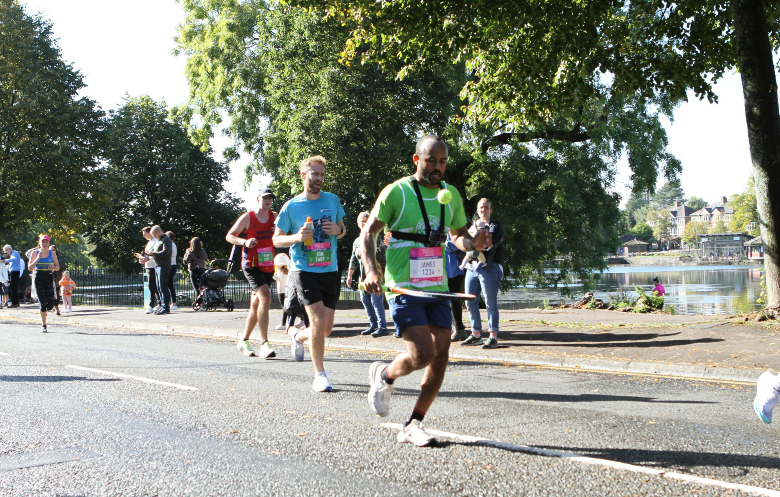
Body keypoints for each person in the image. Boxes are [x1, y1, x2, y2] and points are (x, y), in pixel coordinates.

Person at [360, 135, 490, 446]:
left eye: (443, 161)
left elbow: (458, 235)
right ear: (416, 160)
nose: (437, 167)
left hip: (437, 286)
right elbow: (368, 233)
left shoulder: (450, 194)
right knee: (422, 354)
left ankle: (414, 423)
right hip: (403, 284)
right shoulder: (397, 192)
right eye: (431, 160)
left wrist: (473, 243)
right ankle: (386, 376)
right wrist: (369, 271)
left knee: (441, 354)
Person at [273, 155, 347, 393]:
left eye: (322, 174)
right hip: (304, 270)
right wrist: (296, 237)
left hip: (330, 269)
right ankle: (320, 375)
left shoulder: (333, 200)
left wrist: (338, 230)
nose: (319, 179)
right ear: (304, 176)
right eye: (315, 174)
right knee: (316, 321)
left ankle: (296, 335)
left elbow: (343, 229)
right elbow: (276, 239)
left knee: (325, 329)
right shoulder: (291, 206)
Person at [226, 188, 278, 359]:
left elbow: (283, 233)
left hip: (268, 264)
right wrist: (245, 241)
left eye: (270, 198)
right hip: (251, 264)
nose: (268, 200)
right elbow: (230, 236)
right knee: (266, 296)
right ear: (258, 199)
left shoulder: (274, 216)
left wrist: (278, 229)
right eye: (265, 198)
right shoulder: (248, 217)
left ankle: (244, 340)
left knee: (256, 304)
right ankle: (265, 343)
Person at [460, 198, 504, 349]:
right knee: (469, 300)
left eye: (486, 207)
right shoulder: (473, 224)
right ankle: (476, 335)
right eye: (480, 208)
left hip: (489, 267)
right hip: (473, 267)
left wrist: (478, 234)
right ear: (477, 210)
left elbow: (488, 243)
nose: (483, 210)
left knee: (490, 303)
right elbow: (467, 244)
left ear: (491, 210)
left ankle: (493, 336)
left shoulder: (495, 225)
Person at [346, 211, 388, 337]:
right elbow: (353, 259)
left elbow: (383, 255)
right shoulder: (357, 241)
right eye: (361, 221)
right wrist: (349, 275)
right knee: (366, 301)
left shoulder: (376, 238)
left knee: (376, 301)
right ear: (358, 224)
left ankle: (383, 327)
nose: (364, 223)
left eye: (366, 221)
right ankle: (373, 325)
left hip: (376, 275)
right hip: (362, 278)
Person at [27, 234, 59, 332]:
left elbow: (58, 267)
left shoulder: (52, 253)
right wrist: (37, 259)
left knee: (50, 304)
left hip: (48, 277)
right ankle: (44, 325)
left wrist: (53, 267)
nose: (44, 243)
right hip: (38, 277)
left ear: (49, 243)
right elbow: (29, 268)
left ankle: (47, 309)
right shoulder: (34, 252)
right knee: (43, 303)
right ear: (39, 243)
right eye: (43, 242)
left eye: (46, 242)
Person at [446, 231, 469, 341]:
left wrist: (442, 244)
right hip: (442, 269)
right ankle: (449, 327)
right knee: (444, 300)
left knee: (454, 300)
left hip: (454, 269)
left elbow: (459, 245)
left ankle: (459, 329)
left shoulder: (456, 227)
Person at [133, 227, 158, 314]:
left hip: (153, 267)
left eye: (144, 233)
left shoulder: (155, 241)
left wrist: (147, 259)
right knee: (153, 286)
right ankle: (158, 303)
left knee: (153, 286)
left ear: (149, 232)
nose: (143, 236)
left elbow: (155, 256)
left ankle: (151, 305)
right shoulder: (149, 243)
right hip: (148, 266)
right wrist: (141, 258)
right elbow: (147, 256)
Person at [150, 226, 172, 315]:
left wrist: (153, 253)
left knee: (163, 287)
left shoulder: (166, 239)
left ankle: (166, 306)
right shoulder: (159, 241)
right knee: (159, 287)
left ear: (158, 232)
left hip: (164, 266)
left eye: (154, 235)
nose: (154, 237)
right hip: (158, 266)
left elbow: (165, 252)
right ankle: (162, 305)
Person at [273, 252, 291, 330]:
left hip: (281, 290)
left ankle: (283, 323)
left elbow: (279, 279)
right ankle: (289, 322)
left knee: (284, 306)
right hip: (287, 289)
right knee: (287, 306)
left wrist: (272, 275)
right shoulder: (288, 269)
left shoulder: (280, 270)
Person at [166, 231, 179, 311]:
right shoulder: (174, 244)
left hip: (170, 265)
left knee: (168, 285)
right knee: (170, 285)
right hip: (173, 264)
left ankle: (172, 302)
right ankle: (173, 302)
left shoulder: (170, 244)